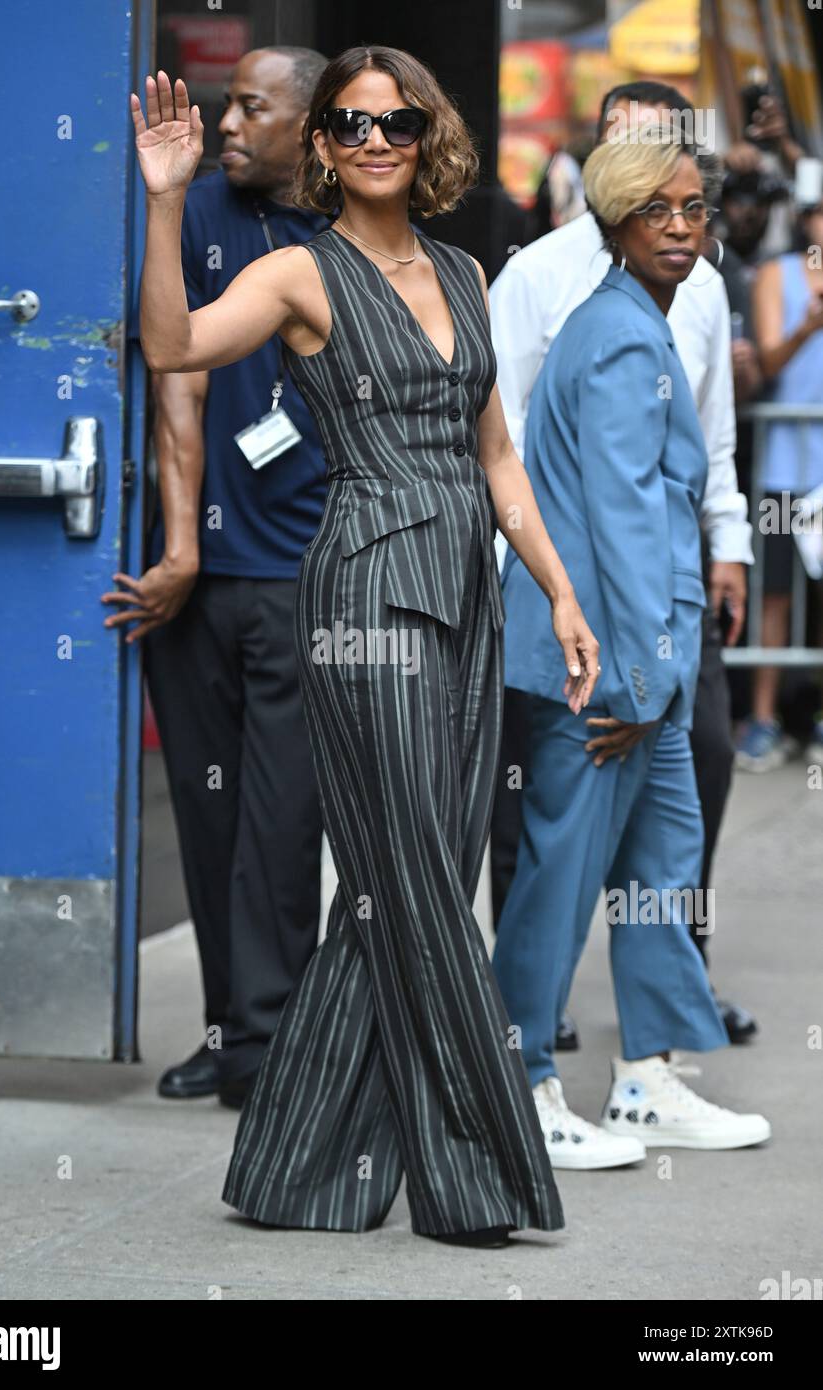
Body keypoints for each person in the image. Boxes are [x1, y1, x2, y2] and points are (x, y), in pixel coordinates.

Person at [131, 46, 600, 1247]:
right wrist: (167, 199)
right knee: (423, 885)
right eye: (350, 122)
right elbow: (176, 349)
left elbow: (498, 460)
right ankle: (480, 1167)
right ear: (326, 147)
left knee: (400, 886)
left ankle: (294, 1165)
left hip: (467, 595)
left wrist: (557, 593)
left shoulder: (463, 271)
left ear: (422, 134)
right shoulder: (299, 272)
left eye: (395, 122)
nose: (375, 139)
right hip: (361, 597)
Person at [491, 122, 772, 1170]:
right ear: (610, 218)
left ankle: (647, 1076)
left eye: (693, 208)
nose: (680, 226)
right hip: (601, 668)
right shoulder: (613, 332)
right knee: (560, 876)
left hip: (640, 658)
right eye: (654, 208)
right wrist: (642, 684)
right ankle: (514, 1081)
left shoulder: (645, 321)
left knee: (660, 868)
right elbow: (614, 516)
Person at [103, 48, 330, 1107]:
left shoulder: (343, 234)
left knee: (283, 825)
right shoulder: (194, 213)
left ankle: (277, 1039)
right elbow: (175, 377)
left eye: (251, 106)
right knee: (209, 813)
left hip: (306, 577)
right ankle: (229, 1027)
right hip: (204, 574)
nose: (227, 121)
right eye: (227, 102)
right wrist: (182, 543)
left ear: (307, 124)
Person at [736, 195, 823, 771]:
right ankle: (763, 718)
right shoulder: (778, 274)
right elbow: (767, 362)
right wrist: (809, 325)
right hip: (786, 461)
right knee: (774, 592)